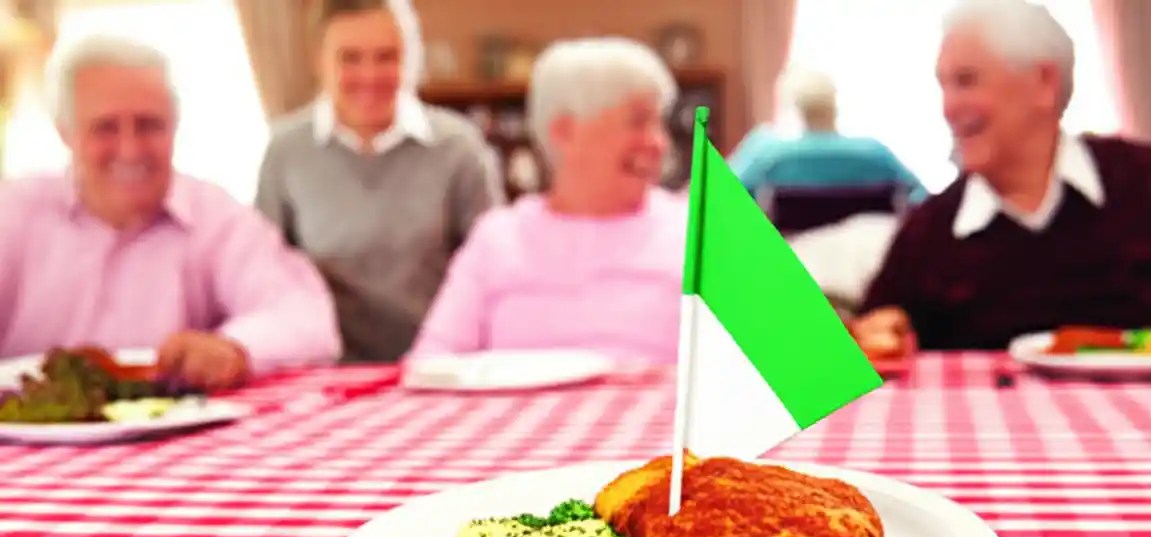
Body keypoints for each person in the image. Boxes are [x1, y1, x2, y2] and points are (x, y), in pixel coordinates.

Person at [852, 0, 1151, 354]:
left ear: (1043, 82)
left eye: (966, 81)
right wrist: (872, 333)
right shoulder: (929, 230)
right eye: (942, 85)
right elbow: (865, 344)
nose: (947, 108)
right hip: (990, 446)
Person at [0, 36, 340, 390]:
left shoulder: (215, 217)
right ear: (65, 132)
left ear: (175, 127)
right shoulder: (13, 212)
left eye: (149, 125)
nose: (130, 150)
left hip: (182, 437)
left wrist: (233, 348)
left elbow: (306, 315)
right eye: (105, 127)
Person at [405, 37, 684, 363]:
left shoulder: (698, 231)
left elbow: (750, 364)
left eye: (658, 122)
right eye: (638, 122)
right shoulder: (498, 237)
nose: (659, 142)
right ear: (564, 132)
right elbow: (430, 362)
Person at [255, 0, 504, 363]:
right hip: (325, 378)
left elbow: (493, 273)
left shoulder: (459, 149)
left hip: (444, 370)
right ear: (319, 61)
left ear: (411, 59)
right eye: (350, 58)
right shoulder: (286, 153)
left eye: (387, 57)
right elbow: (267, 277)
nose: (370, 75)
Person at [731, 68, 927, 204]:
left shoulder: (767, 153)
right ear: (835, 107)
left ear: (791, 107)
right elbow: (922, 200)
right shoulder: (875, 153)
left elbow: (718, 201)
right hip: (866, 258)